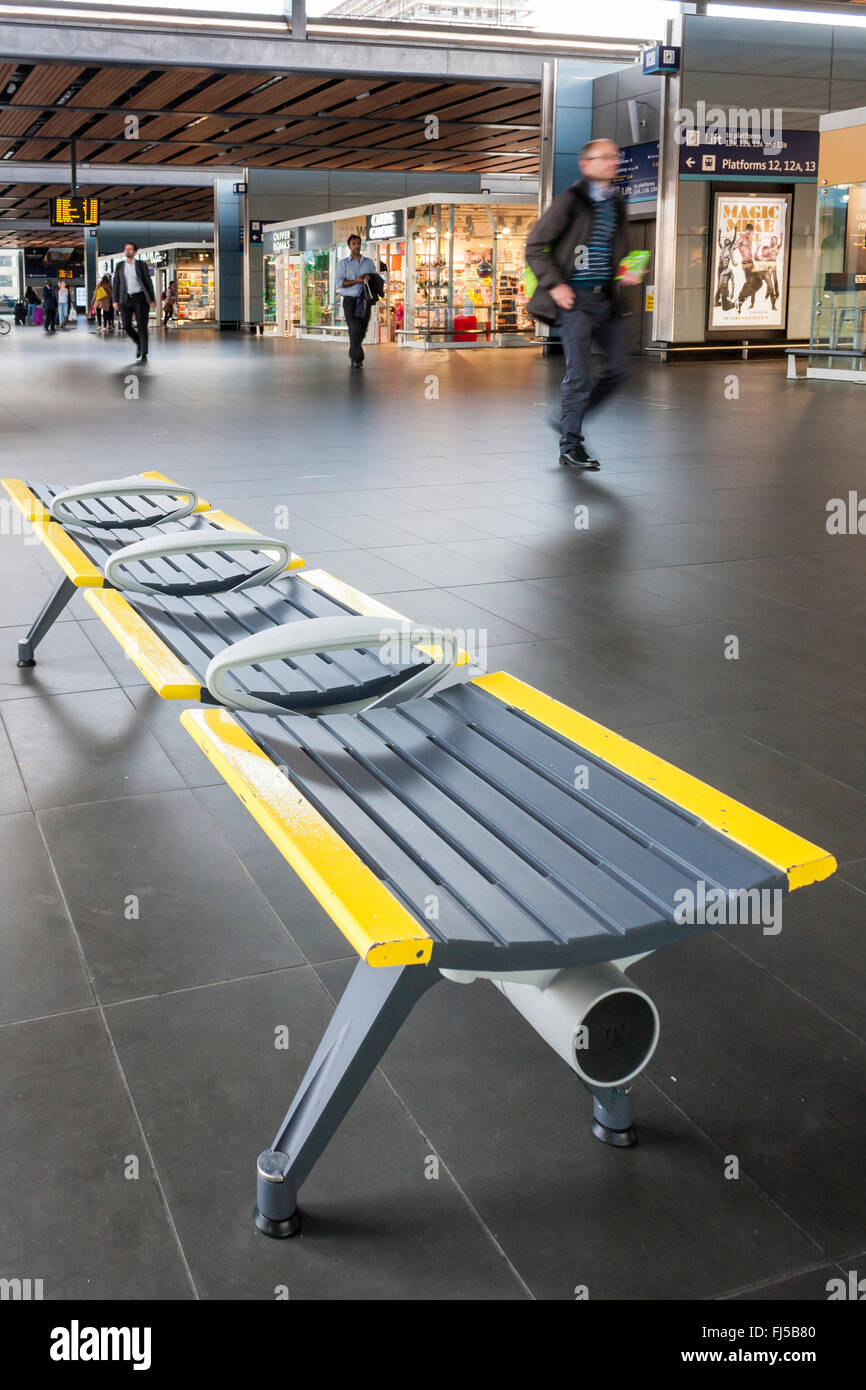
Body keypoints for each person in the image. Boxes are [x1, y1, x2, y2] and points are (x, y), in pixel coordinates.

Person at [525, 138, 641, 470]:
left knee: (618, 369)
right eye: (605, 158)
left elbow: (620, 246)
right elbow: (535, 246)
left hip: (605, 298)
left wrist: (629, 268)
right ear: (585, 164)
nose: (613, 162)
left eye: (615, 157)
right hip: (574, 299)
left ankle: (571, 419)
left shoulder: (616, 201)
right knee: (579, 375)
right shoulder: (570, 201)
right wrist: (556, 285)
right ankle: (570, 446)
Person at [335, 234, 376, 368]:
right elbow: (340, 283)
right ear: (349, 246)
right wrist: (356, 281)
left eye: (358, 243)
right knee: (354, 329)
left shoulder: (369, 262)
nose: (357, 246)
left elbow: (375, 278)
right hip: (350, 301)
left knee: (362, 329)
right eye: (354, 243)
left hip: (365, 300)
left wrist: (369, 277)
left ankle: (354, 354)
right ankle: (357, 358)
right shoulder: (343, 263)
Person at [112, 241, 155, 362]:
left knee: (142, 326)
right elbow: (116, 284)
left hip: (140, 298)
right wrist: (115, 300)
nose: (127, 251)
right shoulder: (119, 265)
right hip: (125, 299)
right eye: (126, 249)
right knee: (126, 325)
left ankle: (144, 352)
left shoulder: (141, 265)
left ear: (135, 252)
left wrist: (151, 298)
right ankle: (139, 343)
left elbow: (148, 282)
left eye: (130, 249)